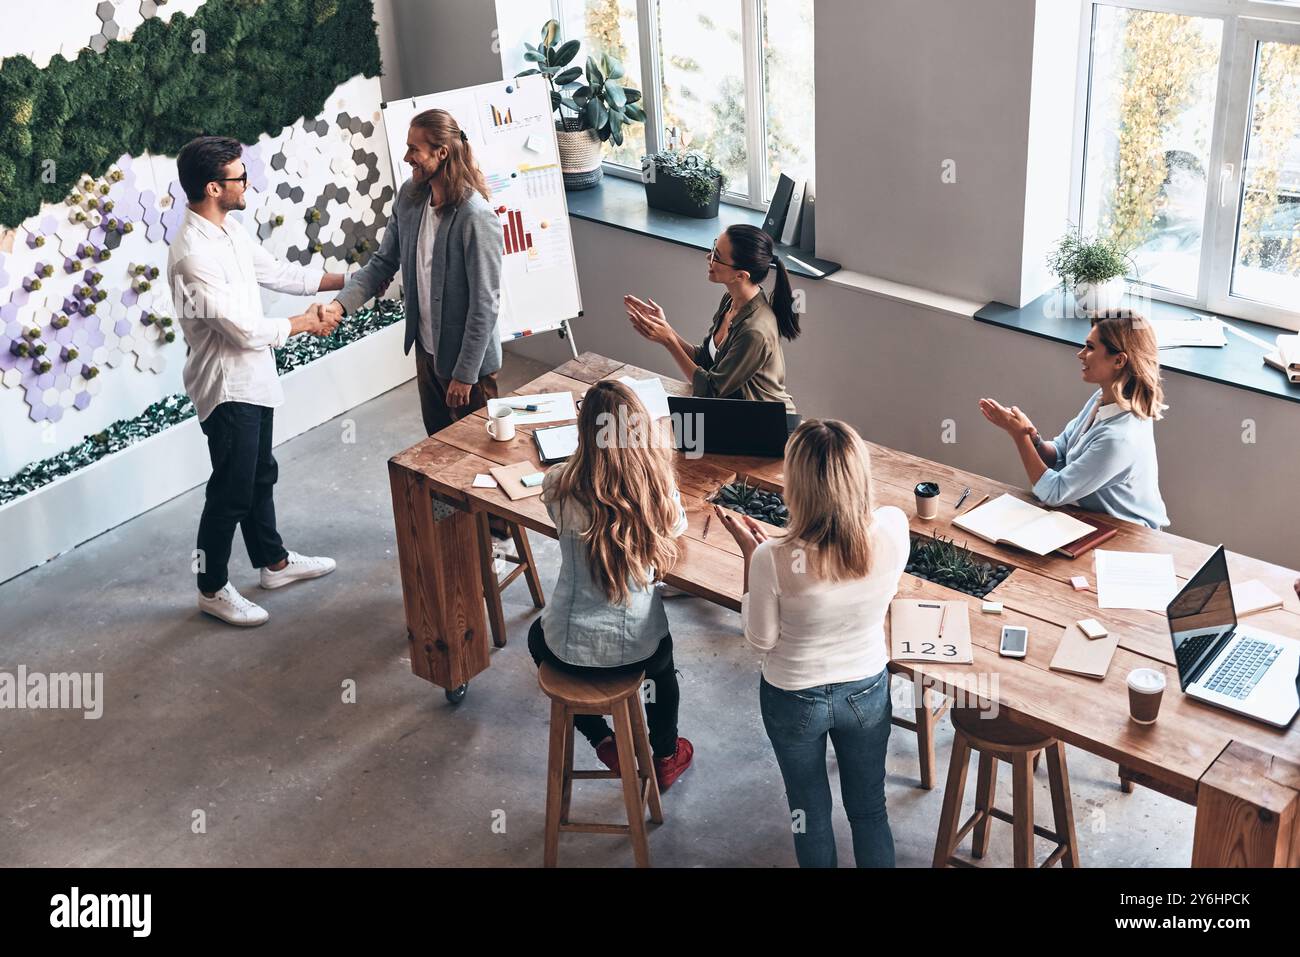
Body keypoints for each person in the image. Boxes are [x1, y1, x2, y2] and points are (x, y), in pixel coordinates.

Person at [168, 135, 345, 627]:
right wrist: (306, 323)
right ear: (212, 187)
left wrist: (351, 279)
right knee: (230, 490)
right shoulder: (191, 257)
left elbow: (281, 274)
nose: (248, 183)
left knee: (259, 473)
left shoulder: (228, 230)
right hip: (226, 388)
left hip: (254, 378)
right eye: (239, 178)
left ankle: (274, 564)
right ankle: (211, 588)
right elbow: (242, 331)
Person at [715, 420, 909, 867]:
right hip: (865, 690)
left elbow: (761, 639)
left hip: (793, 696)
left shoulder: (772, 557)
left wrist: (751, 558)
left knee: (810, 812)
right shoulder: (894, 528)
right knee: (869, 809)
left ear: (797, 482)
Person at [527, 380, 694, 791]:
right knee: (663, 666)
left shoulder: (558, 485)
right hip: (636, 651)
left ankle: (604, 741)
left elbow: (567, 501)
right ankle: (666, 753)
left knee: (536, 637)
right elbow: (678, 529)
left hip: (566, 649)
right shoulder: (657, 492)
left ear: (584, 432)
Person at [322, 108, 503, 437]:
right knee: (435, 448)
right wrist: (339, 306)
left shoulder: (475, 216)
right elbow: (382, 263)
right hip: (427, 353)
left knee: (477, 458)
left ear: (441, 153)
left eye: (414, 150)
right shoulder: (410, 197)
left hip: (468, 366)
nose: (407, 158)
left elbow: (485, 303)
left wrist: (464, 374)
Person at [979, 312, 1170, 530]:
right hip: (1097, 523)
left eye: (1090, 347)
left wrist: (1019, 436)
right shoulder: (1102, 400)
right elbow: (1061, 453)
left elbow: (1054, 492)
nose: (1080, 354)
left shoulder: (1120, 438)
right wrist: (1034, 439)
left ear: (1119, 360)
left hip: (1132, 536)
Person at [624, 224, 798, 411]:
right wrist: (667, 330)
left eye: (717, 256)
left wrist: (669, 342)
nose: (709, 257)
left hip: (766, 426)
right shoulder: (730, 300)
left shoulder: (754, 331)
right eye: (714, 249)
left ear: (740, 276)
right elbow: (706, 359)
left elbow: (710, 391)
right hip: (735, 415)